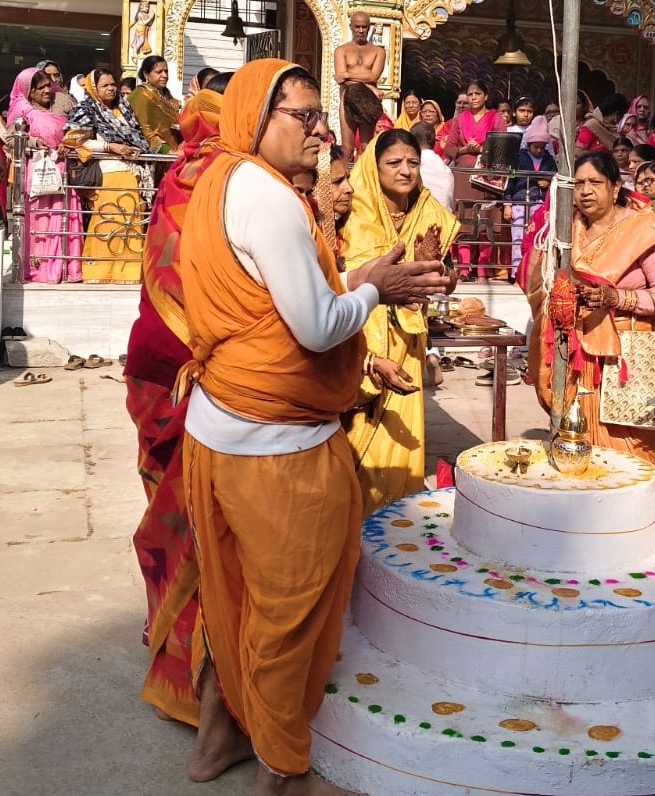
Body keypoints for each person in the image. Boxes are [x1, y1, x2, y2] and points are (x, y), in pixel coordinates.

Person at [176, 59, 451, 796]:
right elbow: (318, 324)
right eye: (302, 115)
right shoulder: (267, 198)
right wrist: (374, 289)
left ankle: (217, 738)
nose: (321, 130)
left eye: (319, 115)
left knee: (232, 594)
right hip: (277, 446)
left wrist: (356, 278)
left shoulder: (221, 182)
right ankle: (283, 767)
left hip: (222, 425)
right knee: (290, 611)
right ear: (255, 121)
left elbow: (278, 301)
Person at [123, 87, 242, 779]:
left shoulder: (179, 182)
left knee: (177, 534)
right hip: (194, 390)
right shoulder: (220, 191)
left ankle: (191, 686)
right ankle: (211, 709)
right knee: (211, 544)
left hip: (155, 386)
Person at [527, 152, 655, 465]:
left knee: (627, 455)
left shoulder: (641, 231)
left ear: (614, 188)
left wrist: (617, 299)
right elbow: (539, 286)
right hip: (575, 358)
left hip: (625, 360)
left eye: (595, 182)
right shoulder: (566, 231)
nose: (585, 191)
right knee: (575, 445)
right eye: (579, 183)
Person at [342, 129, 461, 514]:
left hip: (408, 340)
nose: (405, 170)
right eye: (393, 163)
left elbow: (450, 274)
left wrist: (445, 277)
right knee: (354, 441)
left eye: (412, 162)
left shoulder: (430, 213)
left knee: (401, 432)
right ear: (374, 168)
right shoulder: (352, 212)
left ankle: (393, 533)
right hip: (358, 338)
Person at [64, 68, 153, 284]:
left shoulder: (124, 107)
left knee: (130, 222)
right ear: (94, 88)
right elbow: (74, 139)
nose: (111, 88)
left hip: (131, 172)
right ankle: (100, 273)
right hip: (107, 172)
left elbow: (138, 137)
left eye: (113, 84)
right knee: (108, 220)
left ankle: (128, 274)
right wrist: (111, 146)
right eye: (105, 85)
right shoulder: (86, 109)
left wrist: (134, 150)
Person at [8, 67, 83, 283]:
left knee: (64, 218)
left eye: (48, 85)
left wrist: (69, 143)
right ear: (29, 91)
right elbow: (11, 139)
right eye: (40, 87)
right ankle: (38, 268)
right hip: (38, 174)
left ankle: (65, 268)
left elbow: (80, 132)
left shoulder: (63, 105)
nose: (47, 90)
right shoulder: (22, 111)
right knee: (40, 222)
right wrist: (33, 142)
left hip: (64, 171)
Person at [444, 79, 507, 282]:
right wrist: (464, 149)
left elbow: (502, 149)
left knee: (484, 222)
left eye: (477, 94)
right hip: (463, 176)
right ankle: (463, 269)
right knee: (464, 222)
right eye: (470, 95)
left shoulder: (495, 119)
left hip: (486, 176)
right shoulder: (460, 120)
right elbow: (449, 147)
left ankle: (481, 270)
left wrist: (481, 149)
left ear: (486, 96)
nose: (473, 98)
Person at [335, 12, 387, 164]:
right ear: (351, 27)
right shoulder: (341, 50)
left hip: (368, 102)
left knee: (365, 147)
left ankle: (363, 185)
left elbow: (373, 76)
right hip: (347, 100)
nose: (361, 30)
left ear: (369, 28)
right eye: (357, 26)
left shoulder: (378, 51)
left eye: (364, 27)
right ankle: (343, 183)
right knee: (347, 148)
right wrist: (370, 88)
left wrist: (347, 74)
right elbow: (341, 79)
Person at [506, 115, 556, 275]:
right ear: (528, 144)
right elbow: (510, 181)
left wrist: (548, 183)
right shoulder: (519, 158)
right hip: (520, 202)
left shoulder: (549, 160)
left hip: (539, 203)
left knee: (538, 237)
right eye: (536, 147)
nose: (540, 150)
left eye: (542, 147)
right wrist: (507, 204)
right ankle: (516, 272)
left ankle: (534, 273)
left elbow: (556, 176)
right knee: (518, 237)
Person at [129, 55, 182, 153]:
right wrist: (166, 151)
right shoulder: (141, 94)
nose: (165, 75)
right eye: (159, 72)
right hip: (158, 154)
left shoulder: (167, 95)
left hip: (175, 151)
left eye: (166, 71)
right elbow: (144, 129)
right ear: (146, 74)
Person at [411, 122, 456, 213]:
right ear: (435, 142)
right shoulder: (445, 169)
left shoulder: (412, 165)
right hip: (445, 219)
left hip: (420, 219)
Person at [435, 92, 466, 157]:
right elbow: (439, 140)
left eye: (465, 103)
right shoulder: (450, 123)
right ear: (455, 104)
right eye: (459, 103)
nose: (462, 106)